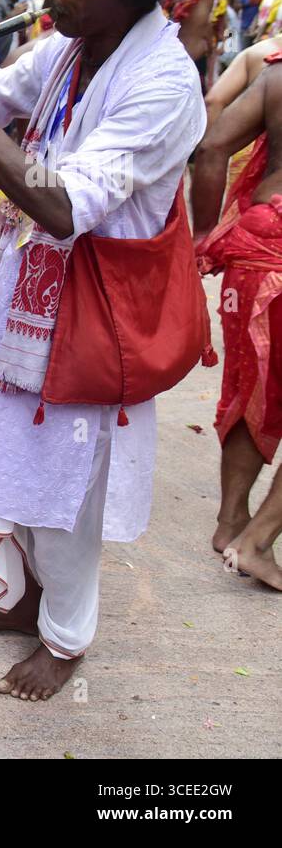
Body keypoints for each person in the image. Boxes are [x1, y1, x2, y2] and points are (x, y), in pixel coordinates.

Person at [0, 0, 203, 700]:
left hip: (99, 319)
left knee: (68, 485)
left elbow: (63, 203)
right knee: (14, 454)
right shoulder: (66, 49)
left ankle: (67, 639)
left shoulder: (164, 82)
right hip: (33, 299)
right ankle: (28, 598)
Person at [192, 52, 282, 587]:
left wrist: (204, 235)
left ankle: (231, 522)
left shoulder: (275, 73)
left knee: (252, 386)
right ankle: (257, 541)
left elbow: (212, 144)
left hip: (259, 241)